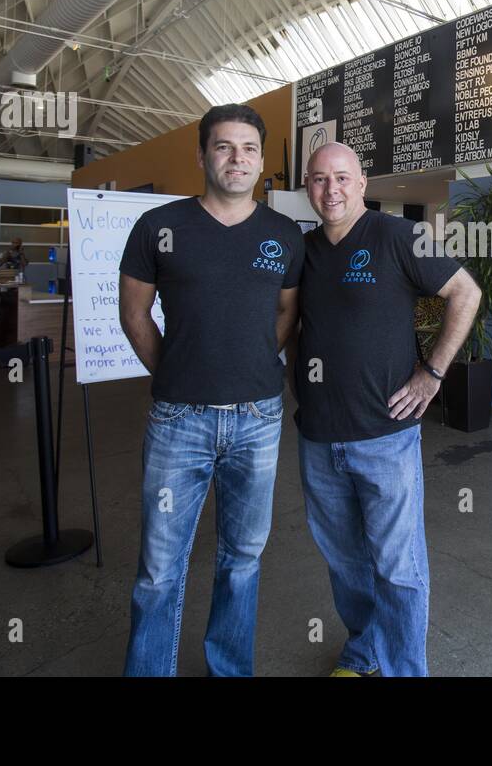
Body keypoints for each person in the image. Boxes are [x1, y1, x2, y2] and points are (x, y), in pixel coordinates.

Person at [117, 103, 303, 677]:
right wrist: (176, 373)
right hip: (179, 420)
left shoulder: (283, 233)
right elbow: (134, 315)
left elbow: (286, 314)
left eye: (248, 148)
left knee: (243, 559)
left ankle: (229, 669)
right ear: (202, 155)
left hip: (258, 418)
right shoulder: (159, 227)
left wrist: (247, 362)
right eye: (223, 146)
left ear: (262, 160)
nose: (237, 158)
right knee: (159, 567)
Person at [292, 142, 481, 677]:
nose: (332, 190)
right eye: (320, 179)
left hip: (385, 436)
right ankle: (364, 651)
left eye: (343, 178)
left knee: (398, 568)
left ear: (363, 182)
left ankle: (403, 669)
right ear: (309, 186)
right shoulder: (302, 250)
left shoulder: (400, 236)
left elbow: (466, 294)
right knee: (346, 566)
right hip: (318, 436)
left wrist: (434, 371)